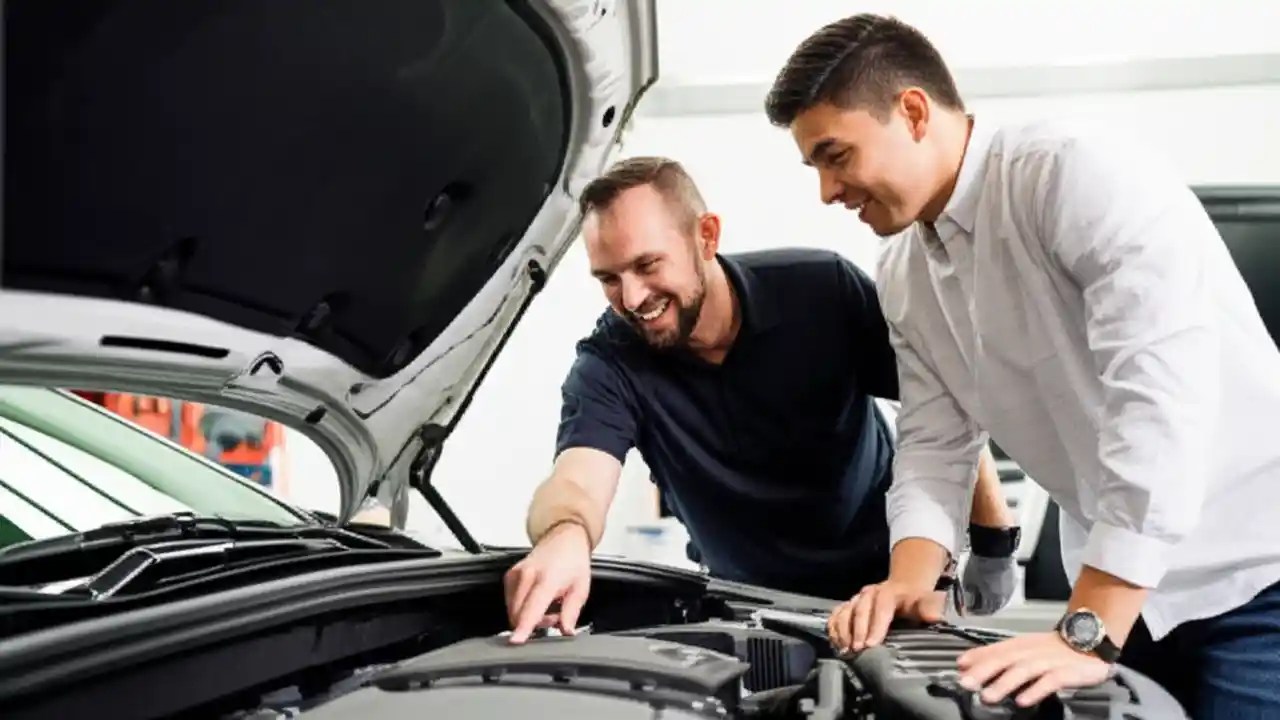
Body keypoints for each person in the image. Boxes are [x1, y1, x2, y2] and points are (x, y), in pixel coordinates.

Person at [765, 12, 1280, 716]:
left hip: (1252, 578)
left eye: (836, 155)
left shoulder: (1075, 173)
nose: (828, 191)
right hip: (1124, 595)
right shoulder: (904, 271)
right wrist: (911, 579)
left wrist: (1088, 630)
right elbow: (935, 442)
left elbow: (1159, 404)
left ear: (912, 112)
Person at [502, 155, 1020, 644]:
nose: (632, 298)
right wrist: (565, 535)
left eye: (648, 265)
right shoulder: (611, 361)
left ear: (706, 236)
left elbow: (940, 412)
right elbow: (578, 477)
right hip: (747, 607)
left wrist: (993, 537)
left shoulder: (823, 292)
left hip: (890, 584)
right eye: (609, 279)